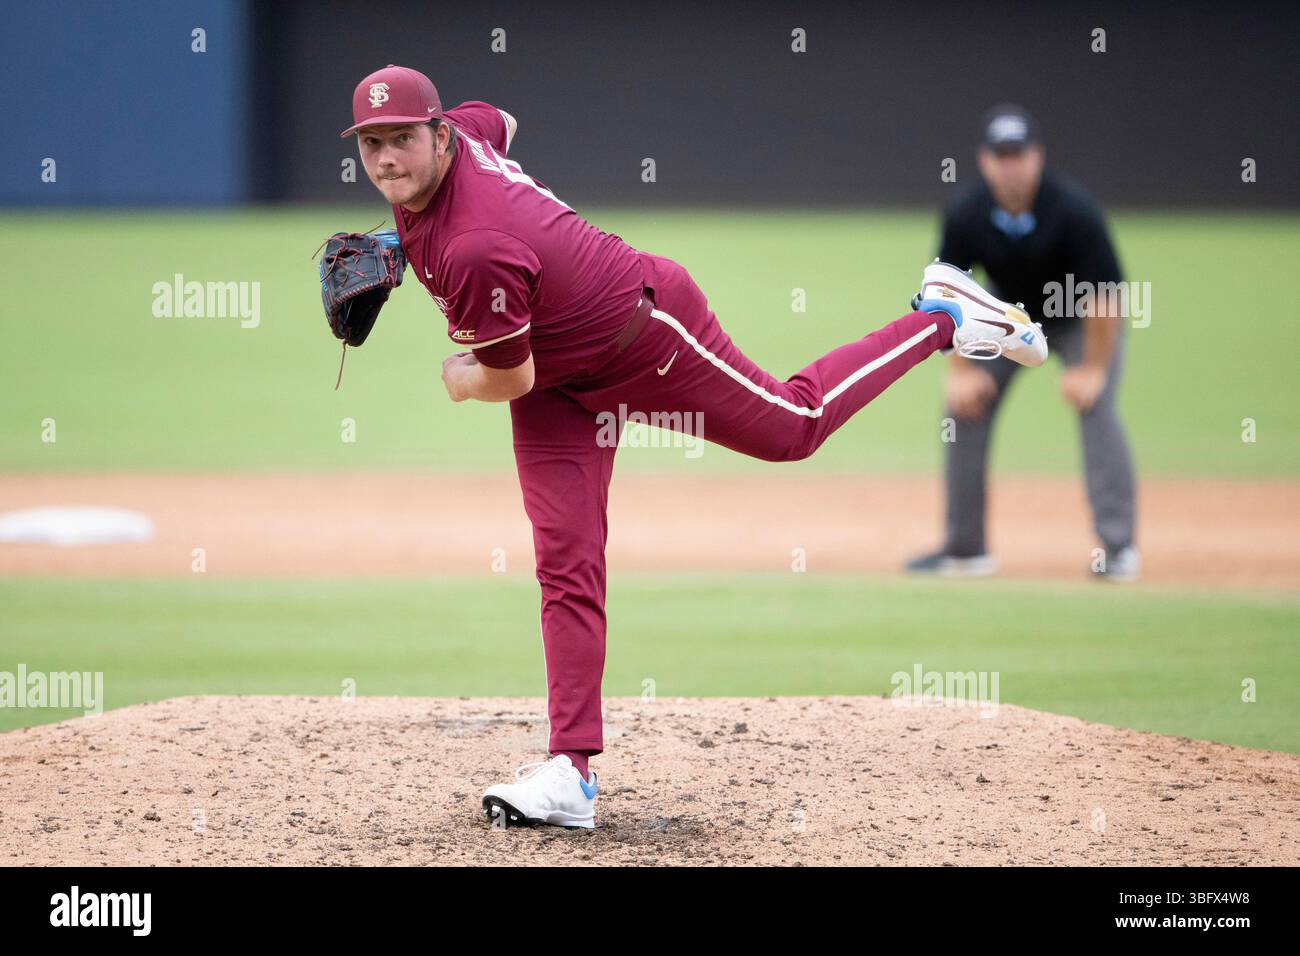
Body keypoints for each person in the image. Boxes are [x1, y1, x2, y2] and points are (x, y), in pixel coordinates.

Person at [341, 66, 1047, 829]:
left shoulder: (477, 248)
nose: (386, 160)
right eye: (372, 144)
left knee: (792, 427)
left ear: (439, 133)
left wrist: (455, 376)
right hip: (561, 386)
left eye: (403, 140)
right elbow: (503, 120)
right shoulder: (465, 136)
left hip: (642, 335)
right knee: (564, 558)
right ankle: (571, 775)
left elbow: (506, 378)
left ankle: (942, 314)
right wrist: (416, 238)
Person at [906, 105, 1138, 582]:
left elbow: (1106, 293)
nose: (1010, 165)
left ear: (1038, 157)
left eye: (1019, 154)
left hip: (1080, 321)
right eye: (1001, 155)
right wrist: (960, 371)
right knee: (963, 408)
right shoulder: (966, 212)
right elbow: (945, 292)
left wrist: (1093, 368)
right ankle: (965, 548)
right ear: (985, 161)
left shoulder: (1073, 208)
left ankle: (1118, 549)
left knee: (1096, 406)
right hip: (1009, 320)